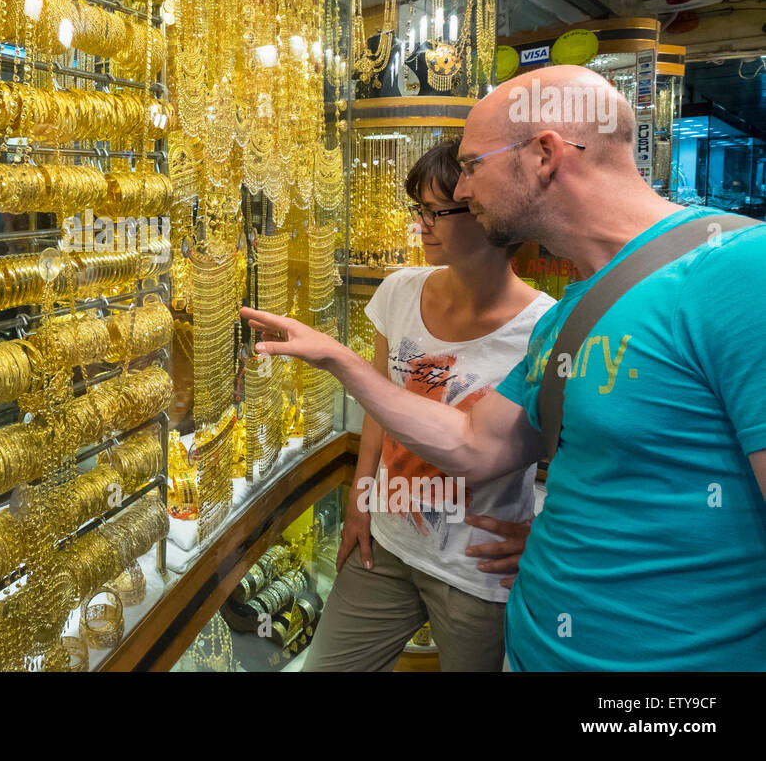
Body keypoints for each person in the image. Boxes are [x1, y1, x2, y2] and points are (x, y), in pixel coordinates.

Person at [247, 65, 766, 671]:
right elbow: (474, 442)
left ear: (545, 154)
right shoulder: (566, 320)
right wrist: (341, 361)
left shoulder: (736, 271)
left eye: (471, 166)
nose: (461, 192)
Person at [303, 139, 555, 672]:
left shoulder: (544, 328)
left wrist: (546, 535)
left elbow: (579, 455)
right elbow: (381, 406)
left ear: (487, 210)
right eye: (418, 210)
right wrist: (360, 498)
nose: (421, 226)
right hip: (388, 544)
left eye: (435, 212)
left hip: (477, 568)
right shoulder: (399, 292)